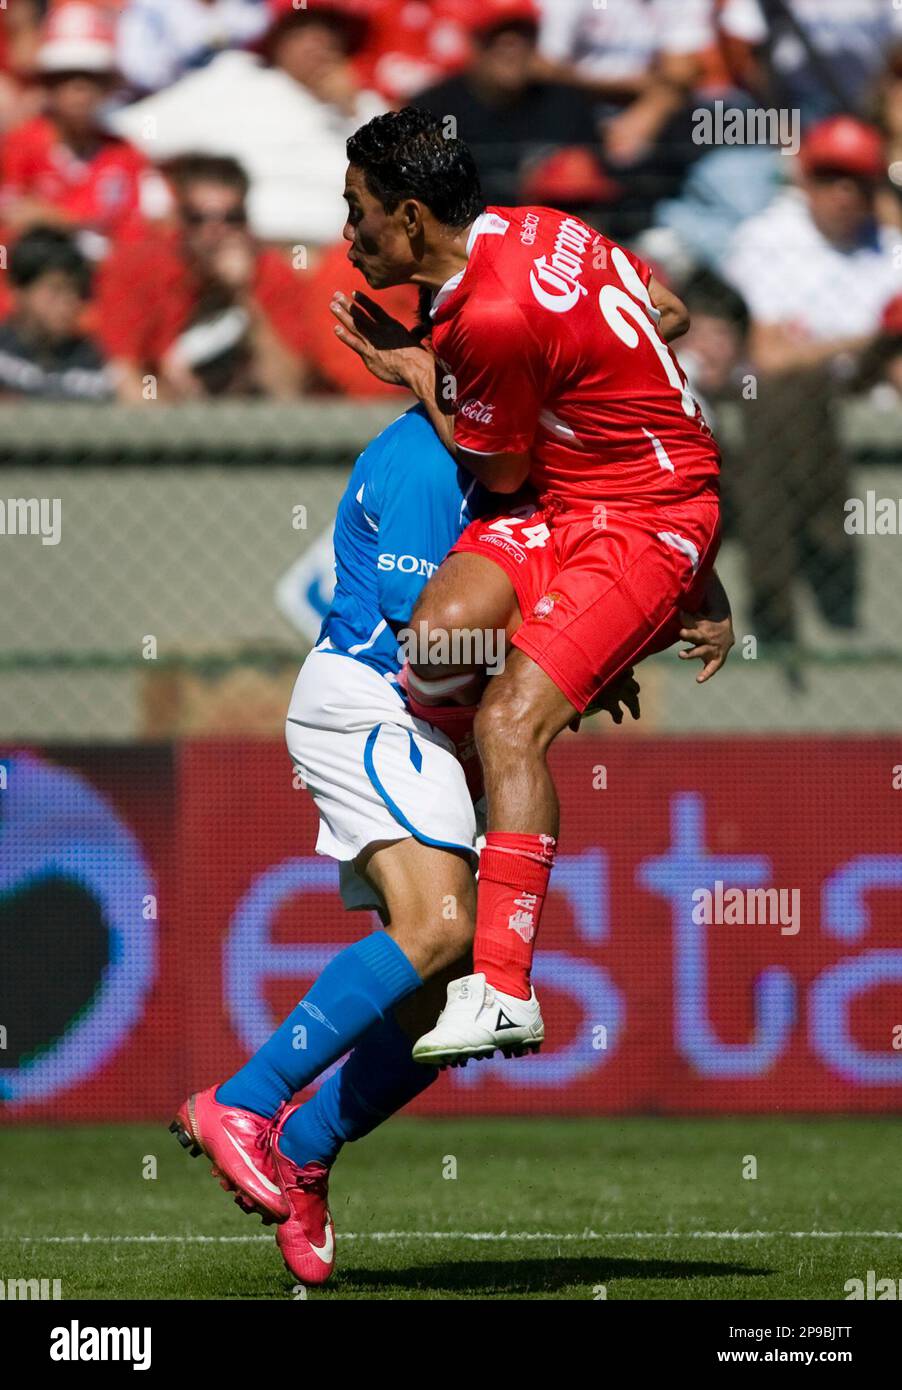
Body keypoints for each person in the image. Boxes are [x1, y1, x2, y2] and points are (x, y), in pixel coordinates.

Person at [328, 107, 732, 1066]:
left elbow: (500, 473)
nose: (346, 235)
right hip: (582, 497)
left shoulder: (485, 316)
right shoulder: (538, 227)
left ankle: (504, 985)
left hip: (642, 517)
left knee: (513, 721)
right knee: (438, 639)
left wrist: (414, 367)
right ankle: (486, 806)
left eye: (358, 212)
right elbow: (663, 313)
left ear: (413, 217)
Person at [723, 114, 896, 642]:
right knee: (787, 393)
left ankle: (790, 577)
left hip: (854, 393)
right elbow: (768, 358)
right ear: (805, 179)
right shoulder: (769, 236)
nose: (843, 193)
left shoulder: (888, 248)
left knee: (794, 394)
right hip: (790, 400)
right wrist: (869, 337)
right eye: (828, 177)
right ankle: (829, 542)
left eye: (858, 181)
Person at [110, 0, 385, 245]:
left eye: (329, 31)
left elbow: (398, 187)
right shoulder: (235, 79)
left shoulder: (366, 106)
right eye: (302, 31)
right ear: (274, 38)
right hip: (253, 252)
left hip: (348, 258)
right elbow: (131, 129)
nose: (318, 44)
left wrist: (351, 112)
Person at [95, 153, 309, 400]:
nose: (215, 231)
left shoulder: (271, 272)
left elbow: (288, 389)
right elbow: (124, 374)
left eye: (231, 218)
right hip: (162, 417)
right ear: (178, 219)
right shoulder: (137, 266)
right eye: (198, 218)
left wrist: (244, 296)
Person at [414, 0, 613, 211]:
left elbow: (596, 191)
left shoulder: (567, 105)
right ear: (474, 44)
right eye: (496, 36)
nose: (512, 47)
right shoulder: (434, 109)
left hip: (550, 233)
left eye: (523, 35)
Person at [0, 2, 154, 255]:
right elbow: (12, 222)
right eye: (66, 77)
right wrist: (90, 226)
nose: (79, 90)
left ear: (107, 85)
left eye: (91, 77)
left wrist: (55, 219)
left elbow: (135, 235)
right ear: (47, 84)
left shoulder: (126, 155)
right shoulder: (17, 146)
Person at [0, 225, 113, 400]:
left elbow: (148, 397)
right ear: (20, 293)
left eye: (77, 292)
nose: (70, 302)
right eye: (56, 289)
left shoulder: (96, 366)